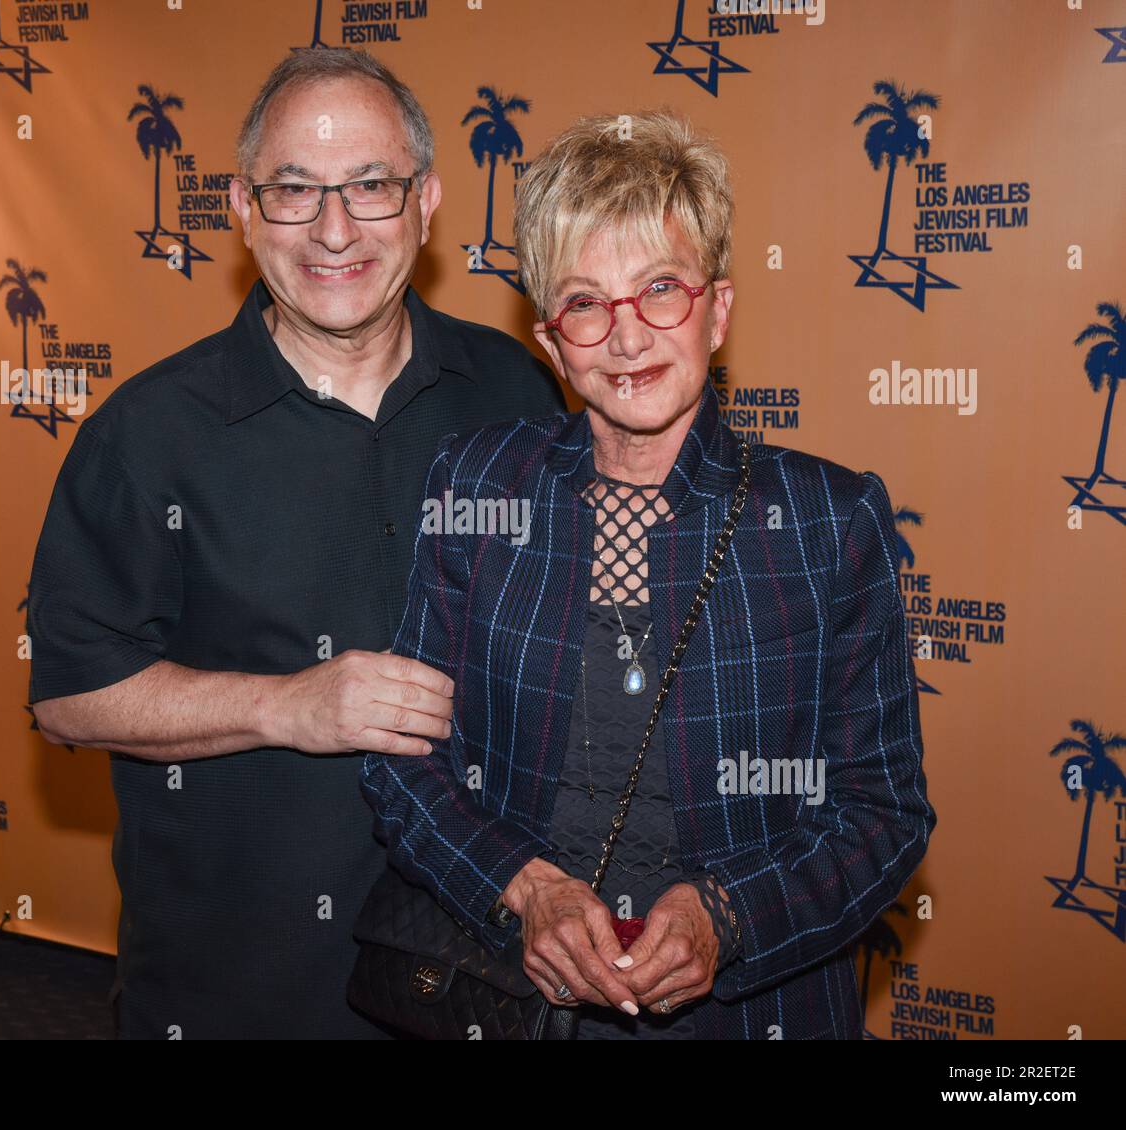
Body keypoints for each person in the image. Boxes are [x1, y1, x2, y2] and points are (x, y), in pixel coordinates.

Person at [360, 110, 935, 1039]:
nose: (626, 338)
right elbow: (404, 762)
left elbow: (883, 812)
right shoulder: (475, 484)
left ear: (718, 310)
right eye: (586, 302)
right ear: (550, 341)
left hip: (754, 1013)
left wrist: (728, 917)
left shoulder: (830, 519)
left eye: (661, 288)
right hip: (517, 999)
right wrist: (526, 888)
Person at [25, 48, 562, 1039]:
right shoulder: (148, 433)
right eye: (293, 190)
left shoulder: (516, 393)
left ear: (427, 199)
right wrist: (292, 704)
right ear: (240, 206)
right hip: (233, 992)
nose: (333, 228)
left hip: (480, 978)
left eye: (369, 186)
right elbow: (66, 694)